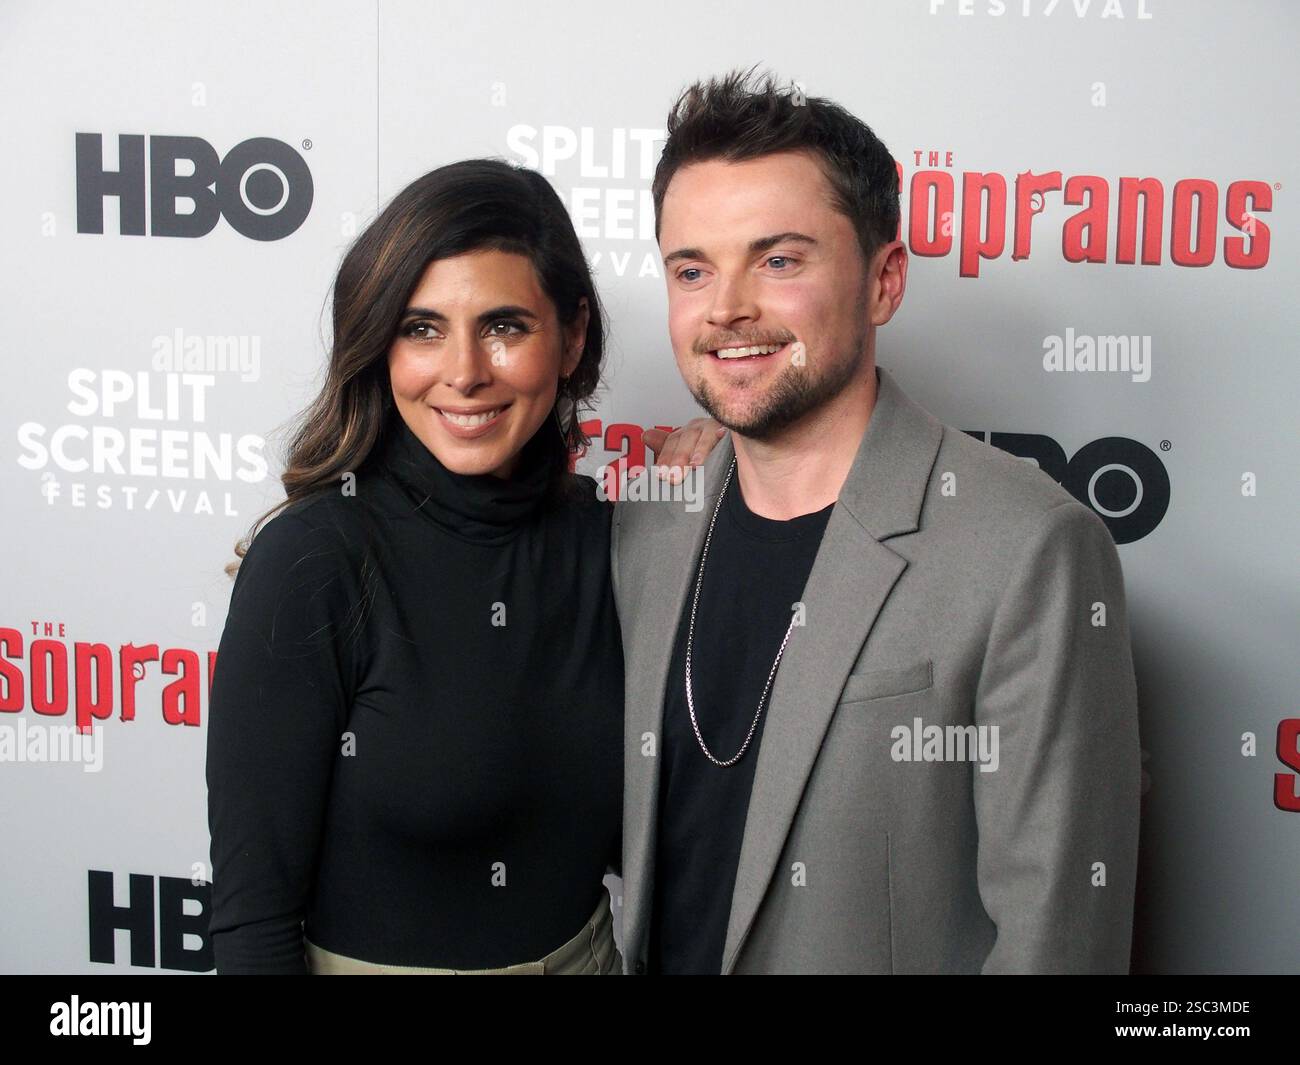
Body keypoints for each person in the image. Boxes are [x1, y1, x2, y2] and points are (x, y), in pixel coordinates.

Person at [613, 68, 1142, 974]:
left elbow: (1056, 940)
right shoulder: (648, 526)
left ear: (884, 281)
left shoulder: (1028, 549)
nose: (727, 306)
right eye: (692, 269)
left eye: (778, 260)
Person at [205, 158, 721, 974]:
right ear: (382, 344)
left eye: (506, 325)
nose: (464, 371)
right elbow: (249, 927)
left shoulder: (616, 542)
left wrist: (736, 472)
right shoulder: (315, 561)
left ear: (572, 335)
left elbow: (689, 821)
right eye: (422, 328)